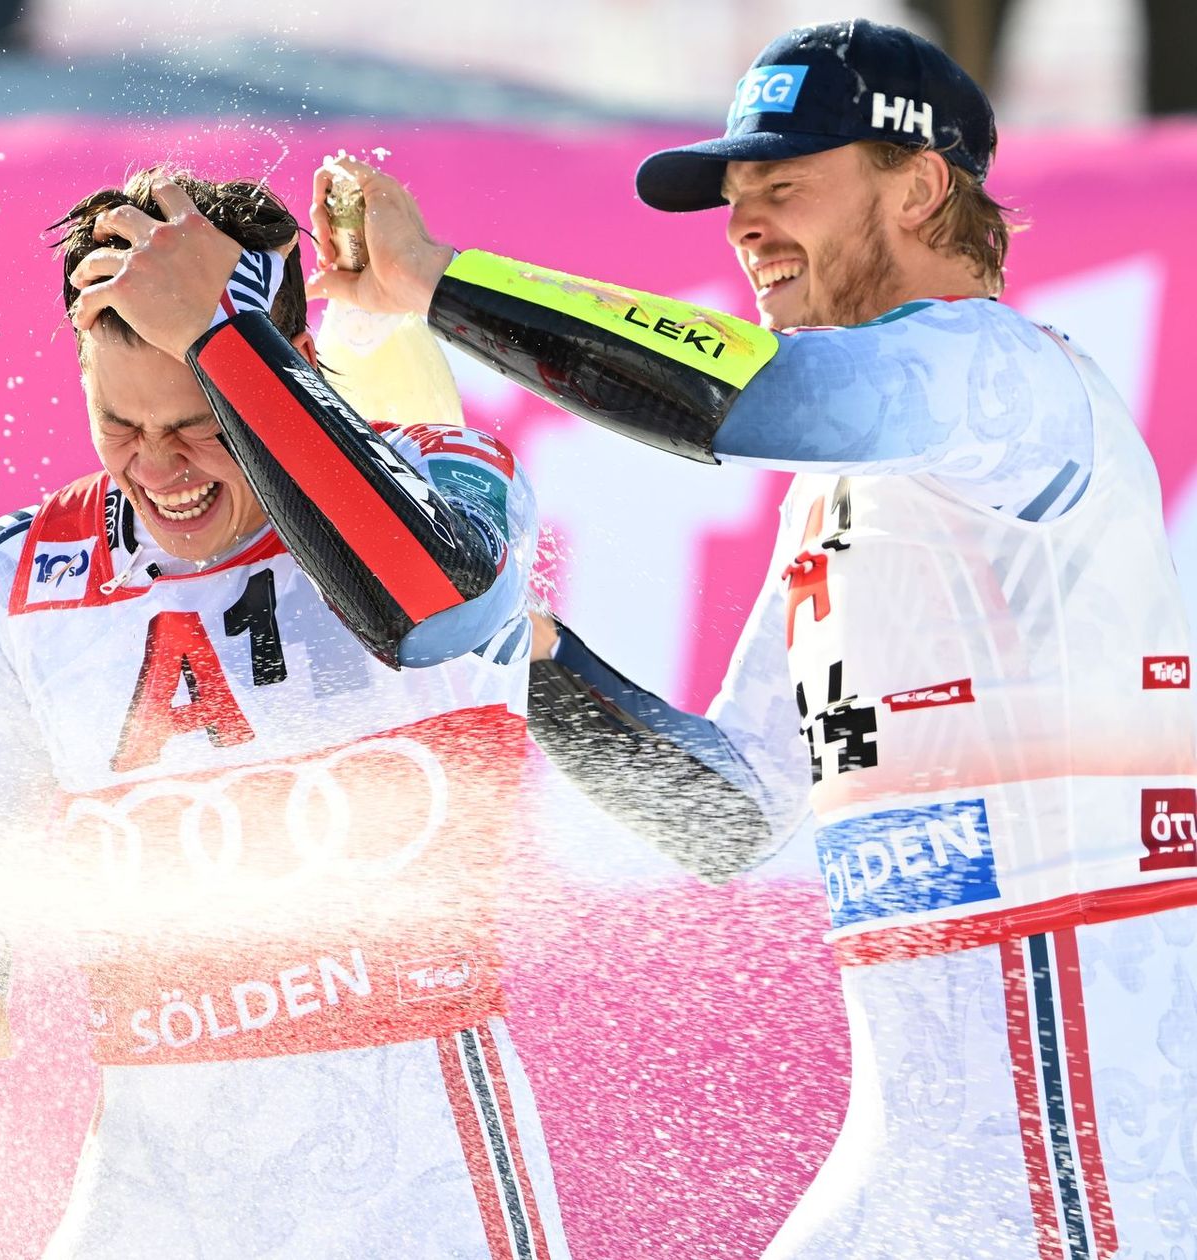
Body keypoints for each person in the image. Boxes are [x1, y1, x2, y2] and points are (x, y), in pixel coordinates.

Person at [303, 18, 1197, 1259]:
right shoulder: (839, 485)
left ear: (920, 187)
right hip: (924, 1153)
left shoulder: (1003, 372)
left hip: (1087, 1142)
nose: (745, 225)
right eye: (735, 197)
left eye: (784, 185)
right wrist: (528, 652)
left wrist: (436, 283)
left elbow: (757, 395)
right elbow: (727, 813)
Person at [0, 167, 569, 1258]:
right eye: (118, 422)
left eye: (200, 425)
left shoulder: (448, 476)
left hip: (419, 1191)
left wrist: (233, 344)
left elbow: (441, 605)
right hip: (148, 1199)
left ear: (281, 367)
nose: (158, 467)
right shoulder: (14, 580)